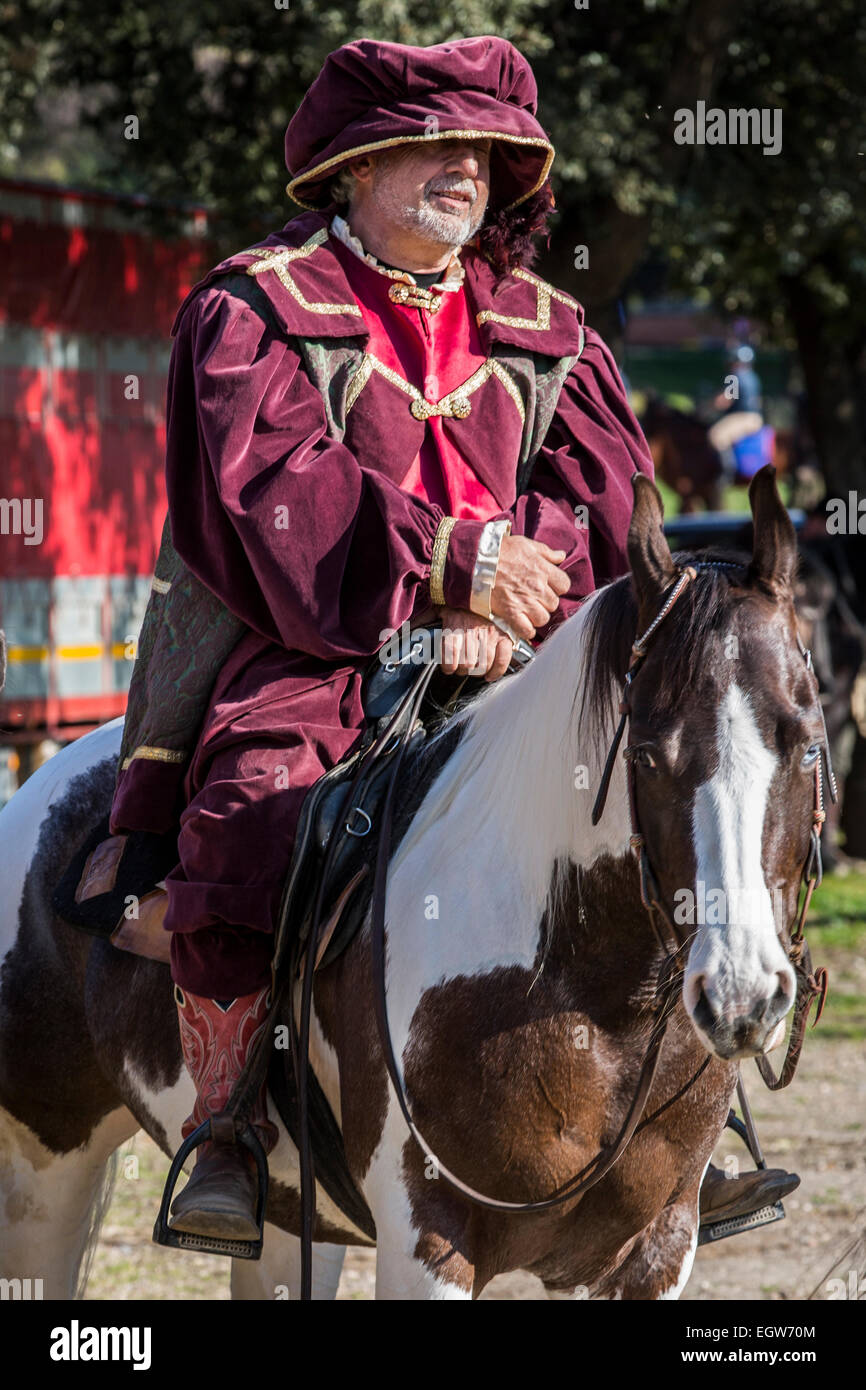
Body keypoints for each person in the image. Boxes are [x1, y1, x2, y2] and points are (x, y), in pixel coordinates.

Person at [109, 35, 796, 1243]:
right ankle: (228, 1122)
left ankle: (694, 1122)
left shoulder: (547, 325)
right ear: (352, 162)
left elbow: (607, 500)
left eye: (483, 150)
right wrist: (447, 563)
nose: (465, 168)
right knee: (251, 804)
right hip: (317, 651)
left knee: (651, 817)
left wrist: (509, 603)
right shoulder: (253, 307)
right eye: (434, 144)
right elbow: (269, 482)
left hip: (531, 668)